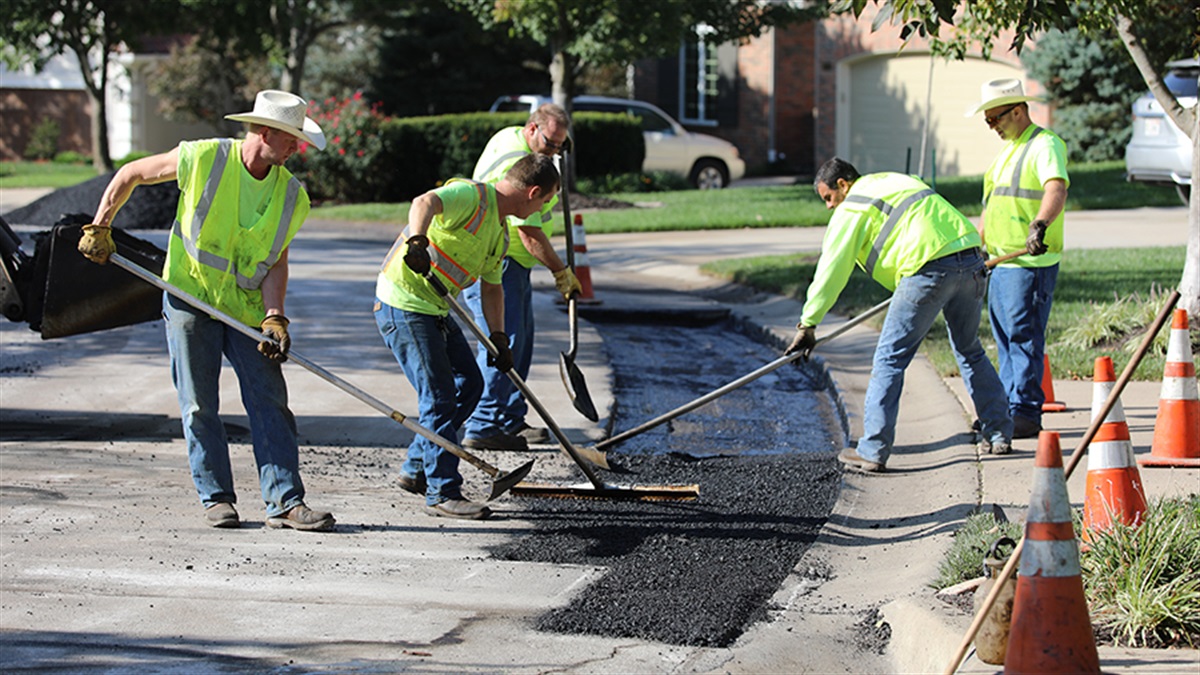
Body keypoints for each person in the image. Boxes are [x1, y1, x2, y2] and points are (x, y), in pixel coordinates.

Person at [77, 90, 335, 531]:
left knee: (270, 400)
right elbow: (132, 173)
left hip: (246, 309)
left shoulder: (293, 196)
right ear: (265, 131)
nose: (297, 148)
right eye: (291, 138)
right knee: (199, 403)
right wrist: (102, 225)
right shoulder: (205, 157)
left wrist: (274, 316)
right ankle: (217, 498)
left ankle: (286, 502)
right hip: (189, 297)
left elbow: (276, 260)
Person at [787, 158, 1013, 473]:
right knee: (969, 349)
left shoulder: (852, 205)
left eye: (828, 198)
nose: (828, 207)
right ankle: (999, 432)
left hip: (927, 270)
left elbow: (831, 269)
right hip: (972, 260)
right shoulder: (893, 180)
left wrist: (808, 323)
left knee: (889, 358)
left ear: (843, 184)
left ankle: (872, 451)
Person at [374, 153, 560, 520]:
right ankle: (443, 491)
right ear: (533, 192)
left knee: (471, 384)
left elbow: (493, 289)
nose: (545, 207)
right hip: (404, 304)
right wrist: (417, 241)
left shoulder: (499, 232)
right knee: (439, 396)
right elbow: (424, 202)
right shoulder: (471, 196)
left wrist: (499, 337)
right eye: (547, 201)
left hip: (435, 310)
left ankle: (416, 469)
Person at [460, 103, 582, 451]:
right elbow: (529, 232)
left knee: (521, 341)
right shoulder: (520, 165)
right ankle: (484, 425)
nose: (555, 151)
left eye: (561, 144)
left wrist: (556, 147)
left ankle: (509, 417)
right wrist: (561, 272)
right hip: (497, 260)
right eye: (550, 142)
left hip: (514, 264)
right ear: (532, 129)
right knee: (502, 342)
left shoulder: (515, 137)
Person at [967, 78, 1069, 439]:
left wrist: (1040, 223)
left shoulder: (1045, 145)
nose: (992, 127)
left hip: (1029, 264)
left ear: (1018, 110)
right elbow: (992, 205)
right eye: (987, 121)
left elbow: (1055, 187)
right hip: (1000, 262)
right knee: (1006, 338)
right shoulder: (1008, 150)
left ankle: (1025, 411)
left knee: (1023, 336)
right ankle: (1009, 408)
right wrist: (979, 244)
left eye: (995, 119)